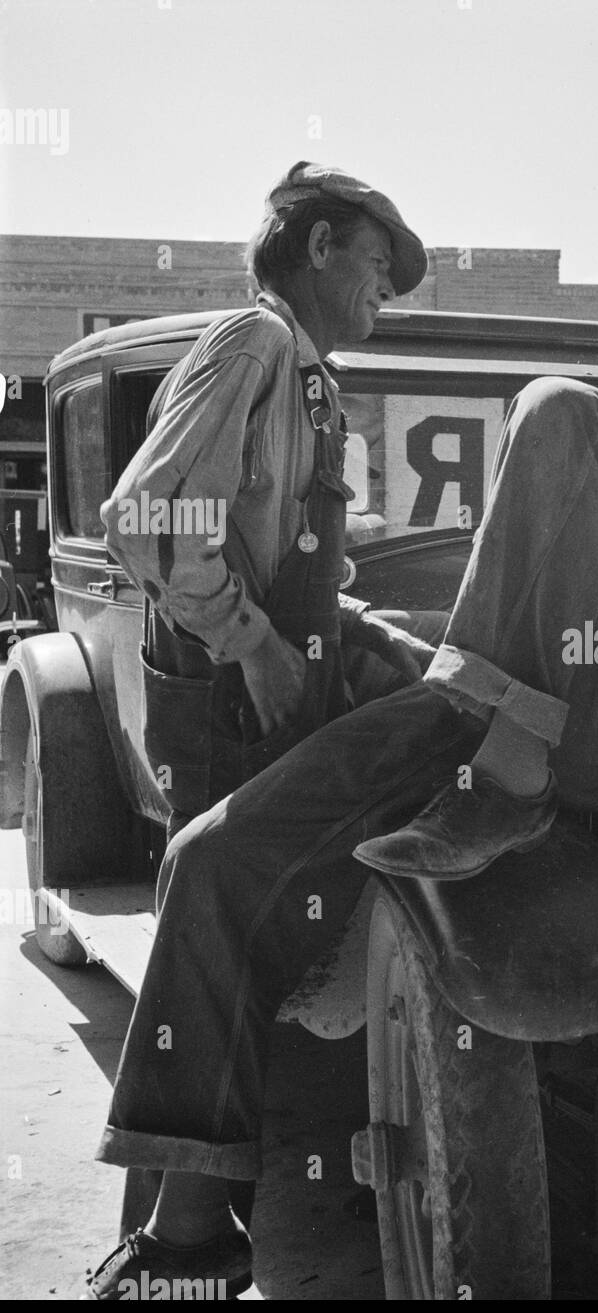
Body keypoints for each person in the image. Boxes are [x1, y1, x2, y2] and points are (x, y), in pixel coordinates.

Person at [85, 284, 598, 1297]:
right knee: (214, 854)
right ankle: (187, 1237)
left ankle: (496, 748)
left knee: (564, 404)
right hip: (500, 708)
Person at [103, 160, 434, 840]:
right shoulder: (258, 342)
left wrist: (356, 625)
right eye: (375, 262)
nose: (387, 290)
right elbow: (146, 519)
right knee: (221, 908)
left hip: (256, 710)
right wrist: (253, 646)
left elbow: (264, 553)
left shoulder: (306, 376)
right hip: (228, 708)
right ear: (319, 248)